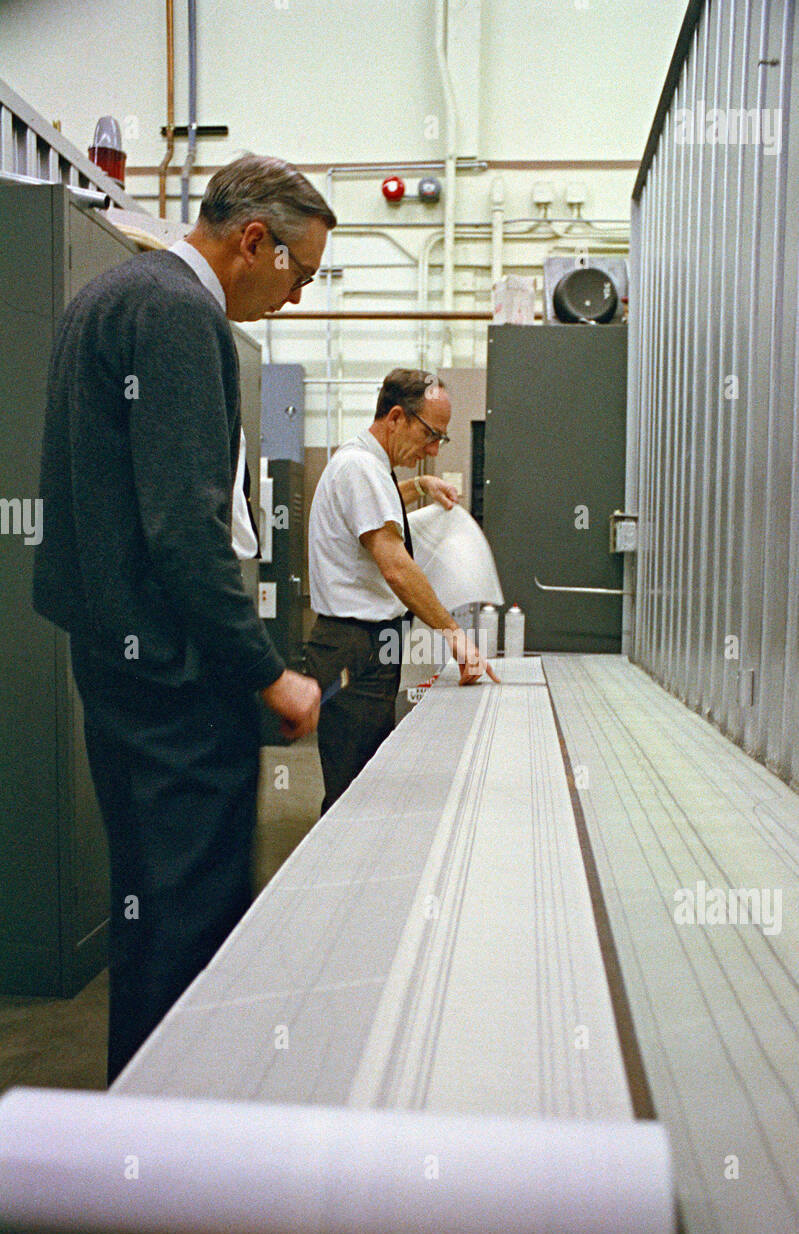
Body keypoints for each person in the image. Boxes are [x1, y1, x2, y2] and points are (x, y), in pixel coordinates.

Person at [33, 154, 335, 1083]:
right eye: (300, 275)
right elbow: (184, 532)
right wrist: (266, 669)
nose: (293, 299)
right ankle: (171, 1157)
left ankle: (141, 1138)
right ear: (255, 241)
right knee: (188, 930)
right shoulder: (177, 315)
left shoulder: (110, 297)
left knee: (147, 915)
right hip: (173, 681)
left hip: (119, 663)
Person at [306, 368, 499, 814]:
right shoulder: (361, 469)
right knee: (352, 789)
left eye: (442, 440)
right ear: (396, 417)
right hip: (355, 648)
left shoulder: (367, 465)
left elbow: (378, 505)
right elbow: (395, 567)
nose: (433, 449)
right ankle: (342, 870)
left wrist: (420, 486)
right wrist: (453, 632)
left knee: (362, 774)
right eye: (431, 435)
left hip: (361, 645)